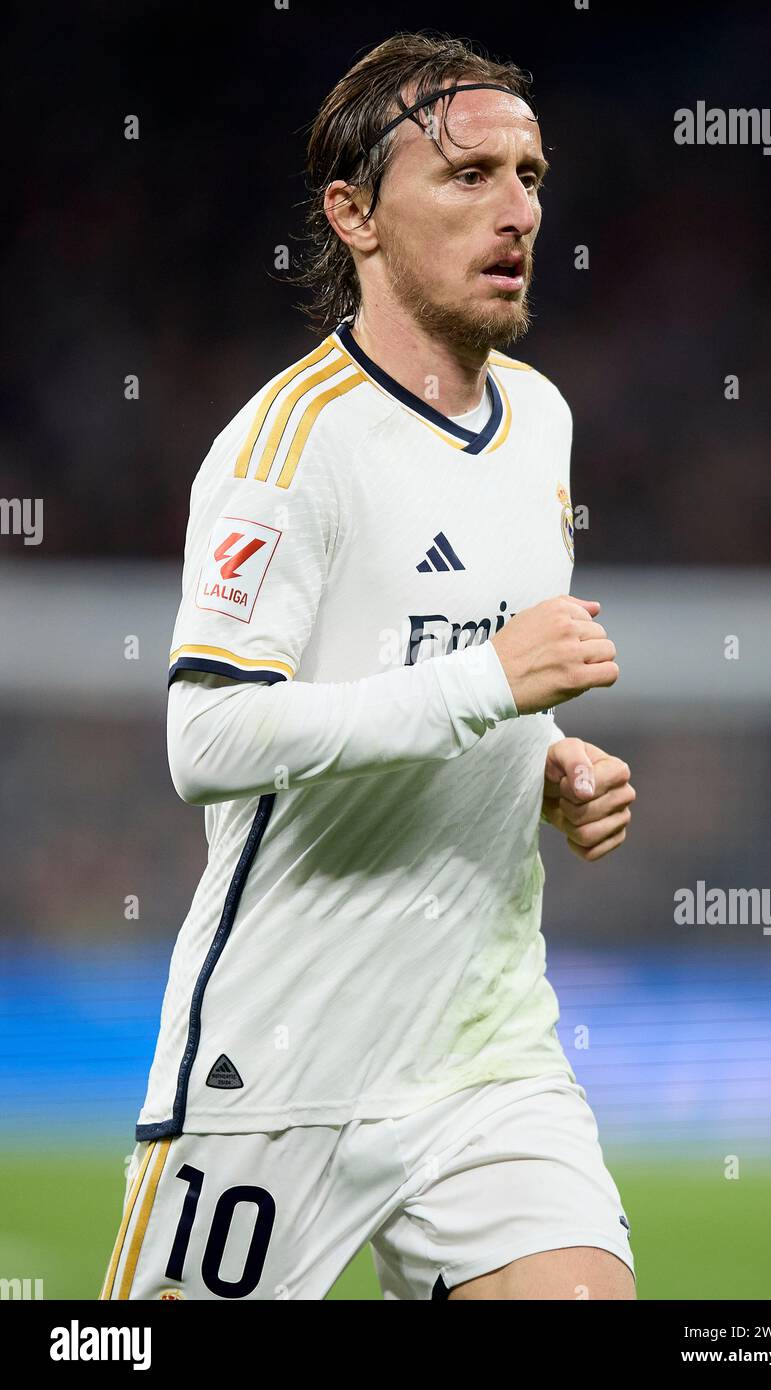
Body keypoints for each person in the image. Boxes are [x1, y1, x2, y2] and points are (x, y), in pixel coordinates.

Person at [100, 30, 637, 1302]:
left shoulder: (541, 418)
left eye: (530, 173)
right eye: (467, 177)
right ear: (353, 214)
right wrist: (486, 691)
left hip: (483, 1054)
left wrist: (540, 763)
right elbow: (208, 743)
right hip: (275, 1061)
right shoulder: (283, 449)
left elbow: (446, 667)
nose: (517, 211)